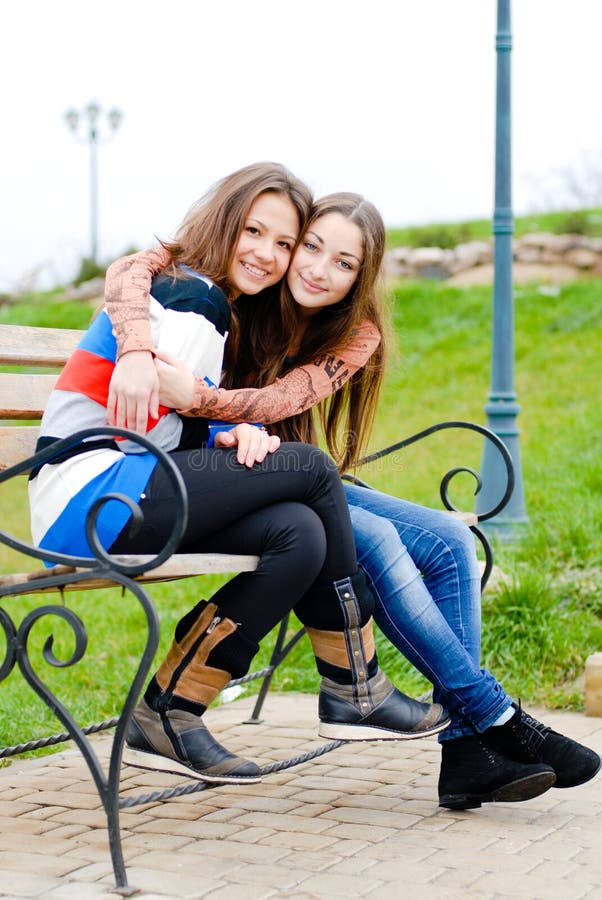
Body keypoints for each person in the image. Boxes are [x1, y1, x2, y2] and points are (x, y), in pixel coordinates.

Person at [104, 189, 601, 808]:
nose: (317, 269)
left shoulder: (355, 334)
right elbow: (131, 267)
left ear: (360, 277)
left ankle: (468, 750)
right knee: (386, 539)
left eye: (343, 263)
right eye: (310, 247)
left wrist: (202, 398)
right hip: (238, 481)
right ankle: (490, 720)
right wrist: (133, 350)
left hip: (293, 477)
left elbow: (278, 405)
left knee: (448, 541)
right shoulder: (249, 291)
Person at [29, 165, 449, 788]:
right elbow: (153, 426)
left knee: (298, 532)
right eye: (254, 231)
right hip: (93, 495)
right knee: (307, 468)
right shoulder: (194, 296)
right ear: (225, 222)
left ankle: (171, 708)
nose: (266, 254)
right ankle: (354, 684)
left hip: (121, 490)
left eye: (283, 243)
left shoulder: (208, 302)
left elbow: (179, 420)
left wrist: (228, 432)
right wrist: (213, 424)